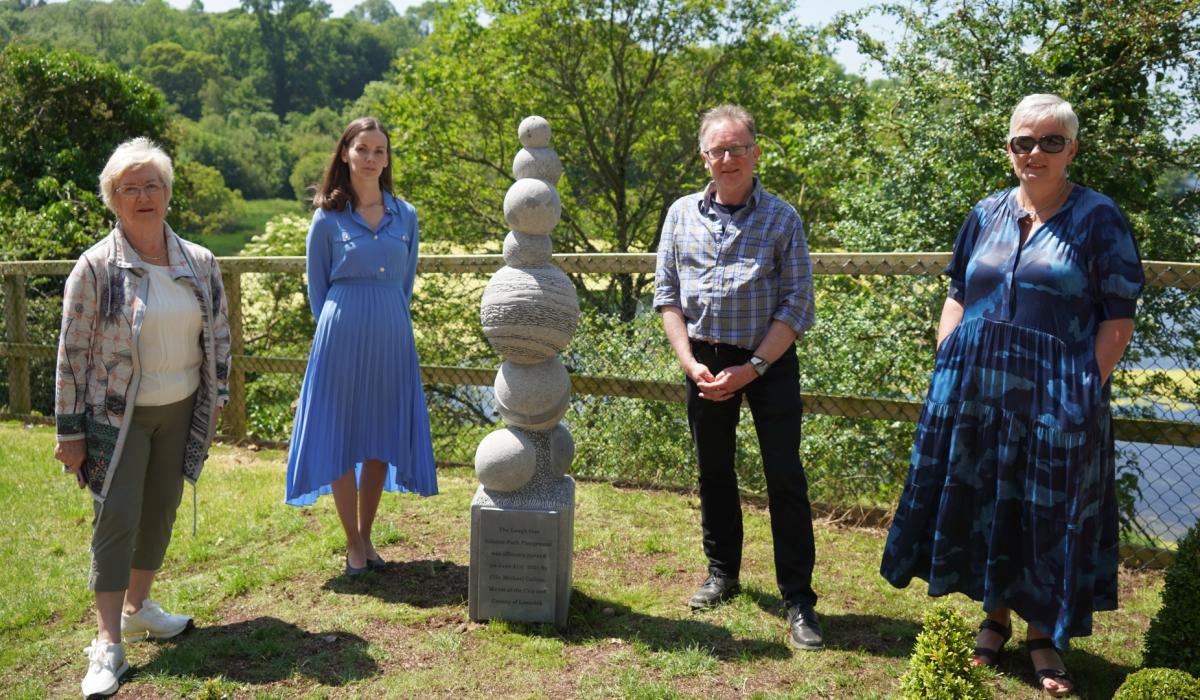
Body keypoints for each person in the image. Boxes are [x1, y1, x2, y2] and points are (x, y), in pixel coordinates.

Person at [879, 94, 1144, 697]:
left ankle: (1044, 636)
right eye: (1024, 142)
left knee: (1047, 512)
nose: (1036, 152)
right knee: (990, 503)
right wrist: (949, 352)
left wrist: (1083, 387)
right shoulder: (986, 212)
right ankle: (993, 621)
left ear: (1072, 149)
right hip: (974, 392)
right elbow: (957, 288)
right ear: (1009, 149)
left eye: (1051, 141)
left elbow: (1118, 316)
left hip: (1058, 395)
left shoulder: (1099, 218)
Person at [54, 137, 231, 698]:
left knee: (159, 512)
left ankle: (138, 606)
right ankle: (107, 644)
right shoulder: (96, 268)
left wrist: (217, 396)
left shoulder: (199, 262)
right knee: (117, 518)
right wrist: (69, 431)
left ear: (168, 194)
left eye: (151, 185)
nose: (142, 195)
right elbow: (71, 352)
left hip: (181, 407)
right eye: (129, 188)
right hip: (116, 417)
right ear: (113, 199)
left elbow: (219, 335)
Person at [654, 104, 821, 650]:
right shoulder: (680, 214)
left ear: (755, 152)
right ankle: (722, 572)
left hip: (766, 363)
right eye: (717, 150)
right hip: (703, 359)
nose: (727, 159)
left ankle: (798, 599)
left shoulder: (782, 218)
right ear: (704, 157)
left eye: (737, 148)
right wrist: (689, 361)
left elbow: (798, 305)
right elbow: (668, 297)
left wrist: (751, 369)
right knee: (714, 473)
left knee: (784, 479)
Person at [285, 117, 437, 575]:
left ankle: (367, 535)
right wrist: (340, 325)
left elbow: (405, 282)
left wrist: (385, 315)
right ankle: (352, 542)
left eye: (380, 151)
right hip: (341, 336)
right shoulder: (327, 219)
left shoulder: (404, 215)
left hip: (391, 332)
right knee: (339, 434)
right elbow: (317, 288)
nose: (371, 158)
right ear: (346, 153)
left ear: (387, 159)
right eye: (363, 149)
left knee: (379, 437)